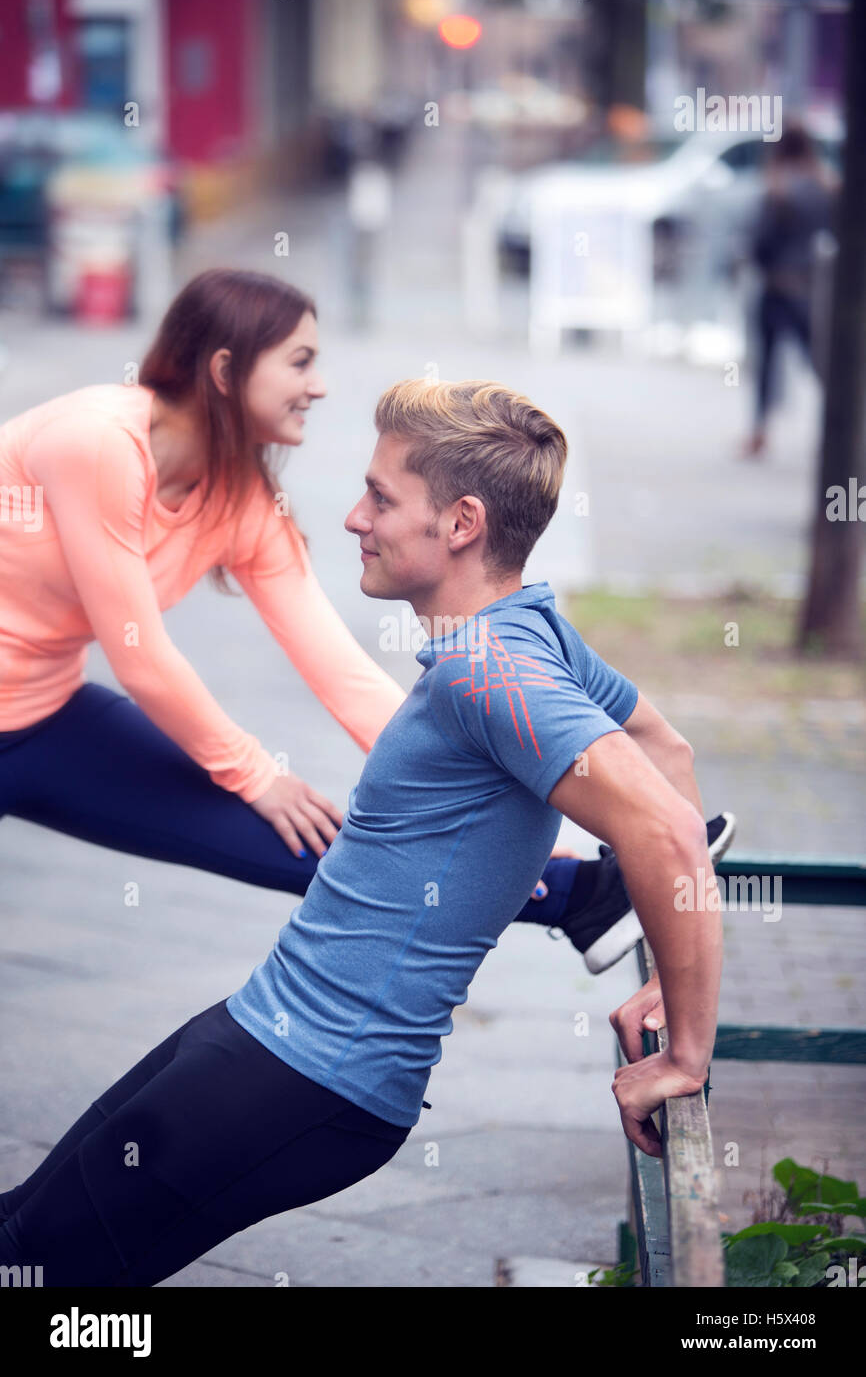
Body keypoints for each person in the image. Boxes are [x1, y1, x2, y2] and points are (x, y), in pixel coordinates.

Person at [0, 377, 728, 1286]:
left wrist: (688, 1046)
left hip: (309, 1077)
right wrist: (673, 980)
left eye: (381, 497)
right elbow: (668, 747)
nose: (353, 518)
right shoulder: (527, 626)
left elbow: (665, 829)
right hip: (263, 1032)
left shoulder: (491, 670)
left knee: (41, 1267)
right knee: (25, 1232)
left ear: (460, 523)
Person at [0, 265, 677, 970]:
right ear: (226, 369)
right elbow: (139, 655)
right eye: (300, 362)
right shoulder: (97, 441)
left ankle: (579, 893)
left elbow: (342, 673)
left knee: (311, 837)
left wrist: (514, 819)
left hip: (40, 717)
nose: (319, 385)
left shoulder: (244, 504)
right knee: (267, 795)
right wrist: (257, 773)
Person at [742, 123, 837, 458]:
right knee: (821, 365)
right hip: (812, 289)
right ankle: (840, 429)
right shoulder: (826, 184)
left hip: (777, 286)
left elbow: (759, 242)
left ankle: (759, 433)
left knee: (767, 365)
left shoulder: (778, 189)